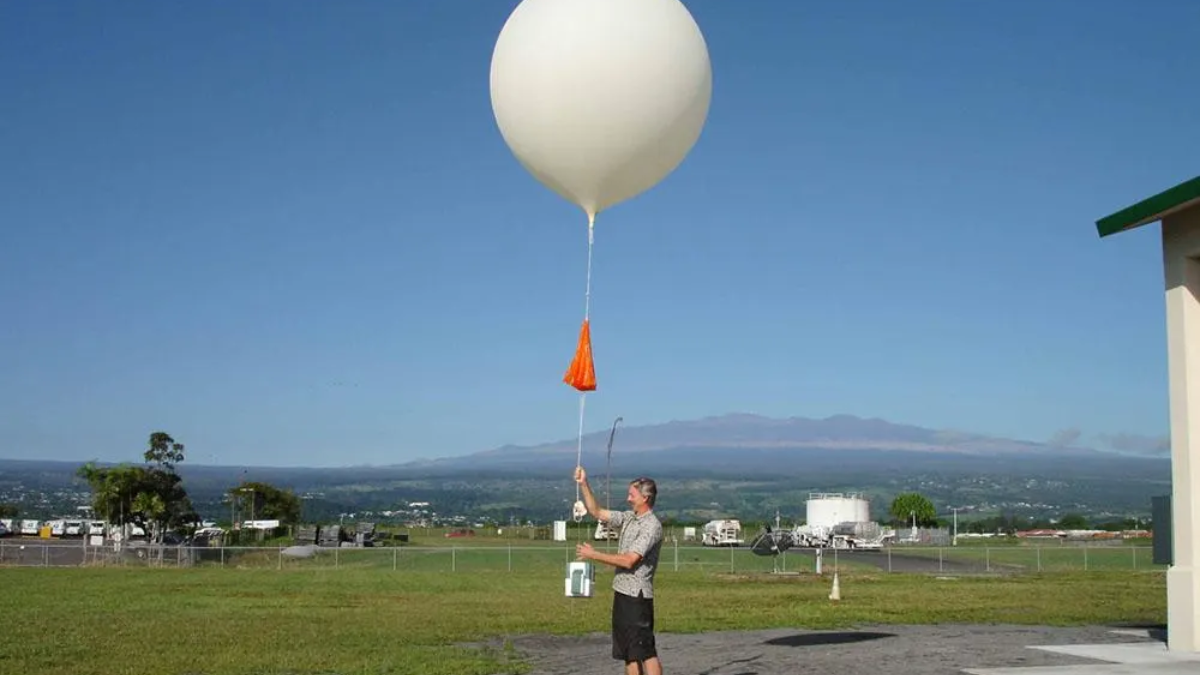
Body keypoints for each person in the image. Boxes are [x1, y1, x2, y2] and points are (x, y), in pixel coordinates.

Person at [574, 466, 665, 675]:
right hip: (622, 593)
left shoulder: (652, 526)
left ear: (645, 497)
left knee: (645, 651)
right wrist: (584, 484)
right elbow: (596, 511)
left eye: (632, 494)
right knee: (627, 653)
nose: (628, 498)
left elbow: (629, 561)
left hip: (637, 597)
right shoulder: (628, 518)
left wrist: (593, 555)